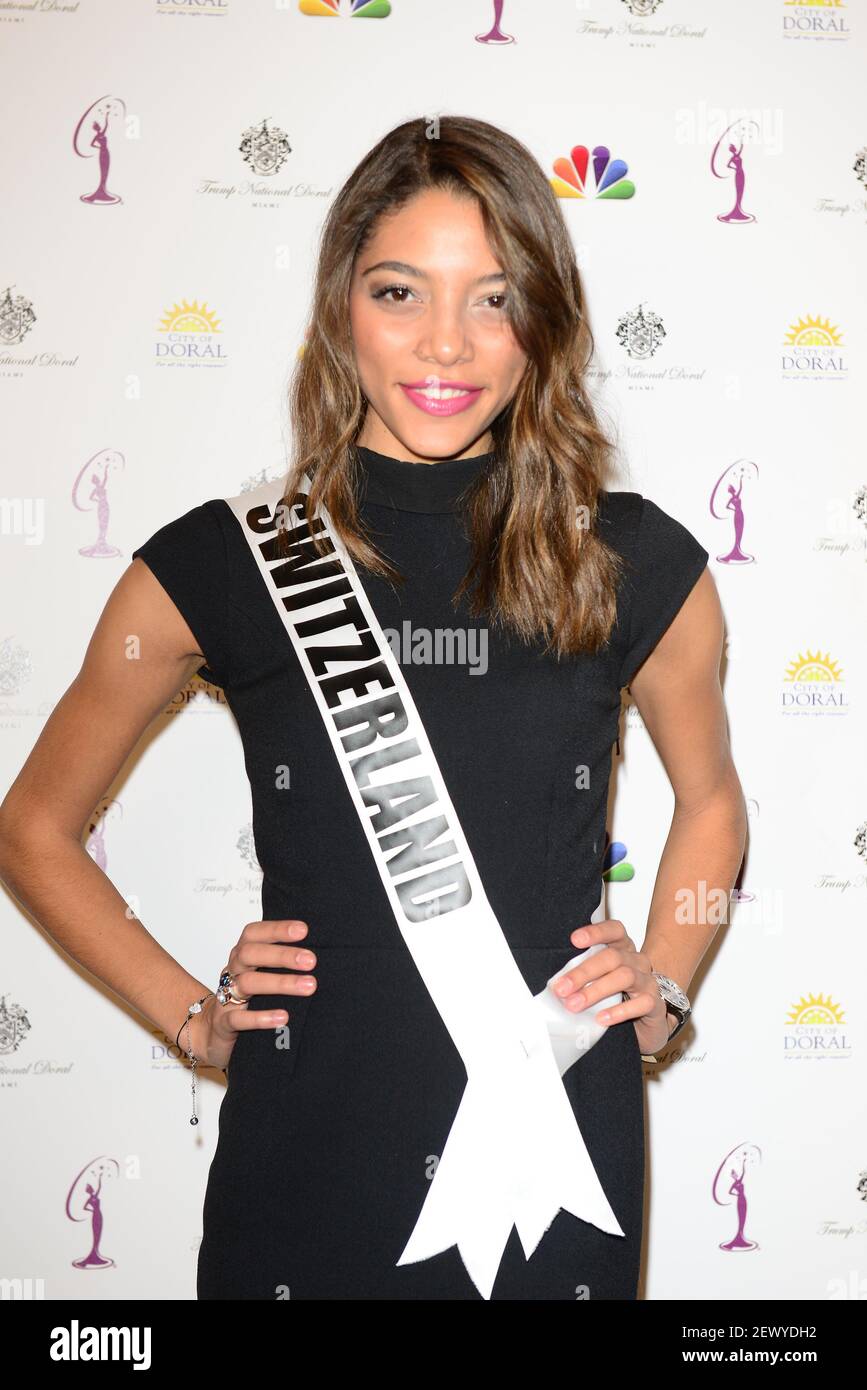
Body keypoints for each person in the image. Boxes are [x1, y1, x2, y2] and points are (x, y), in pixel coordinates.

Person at [0, 115, 746, 1300]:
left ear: (540, 322)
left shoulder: (633, 559)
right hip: (313, 1130)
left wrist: (662, 986)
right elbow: (35, 827)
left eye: (493, 299)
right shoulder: (229, 560)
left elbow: (711, 803)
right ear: (340, 299)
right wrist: (193, 1017)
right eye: (400, 290)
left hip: (552, 1127)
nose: (443, 342)